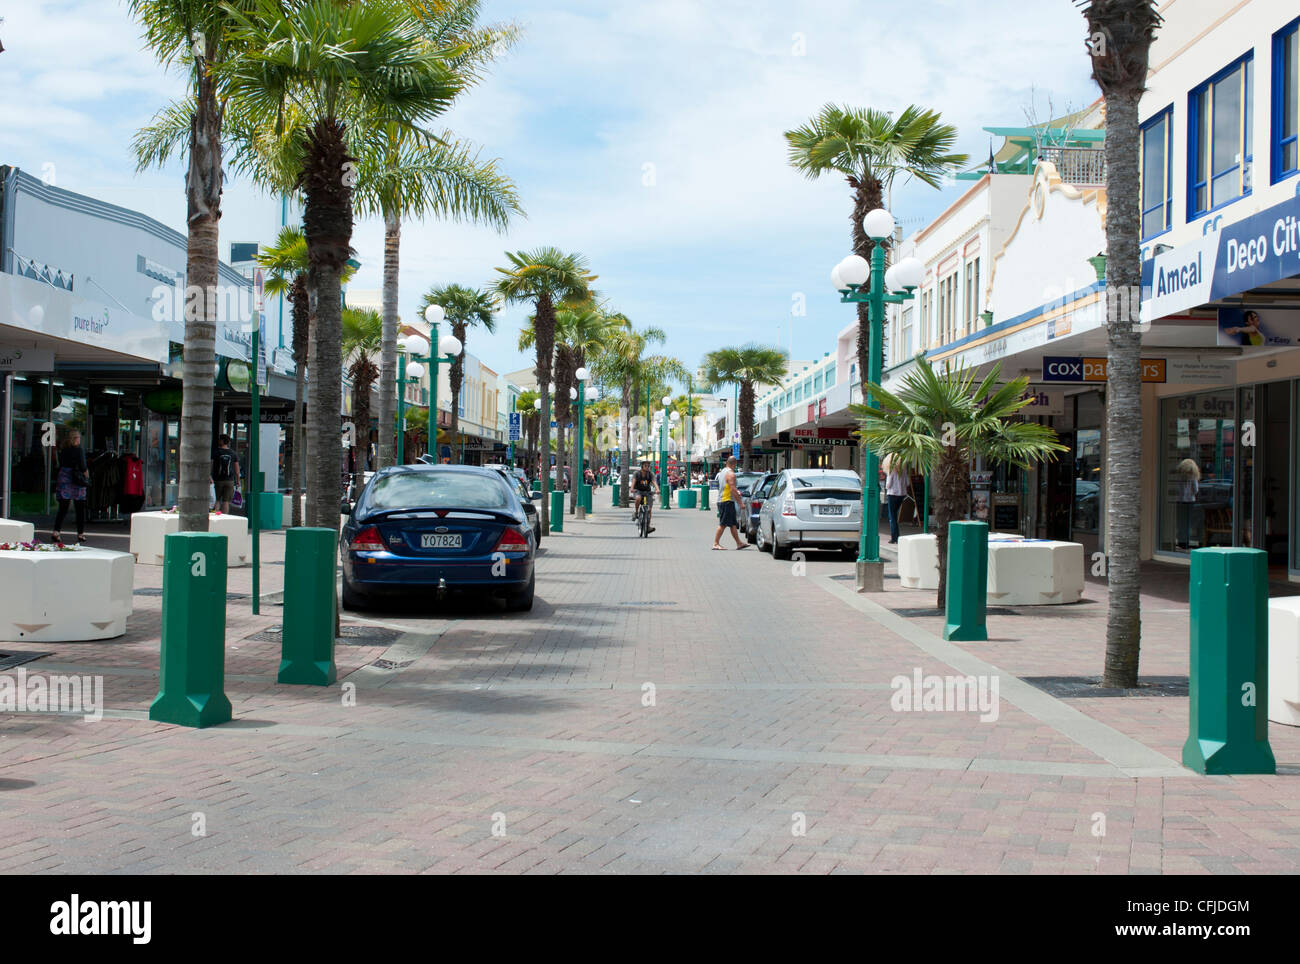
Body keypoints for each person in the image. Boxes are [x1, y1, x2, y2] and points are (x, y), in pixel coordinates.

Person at [52, 429, 89, 544]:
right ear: (75, 439)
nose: (80, 439)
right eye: (79, 437)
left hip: (64, 477)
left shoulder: (63, 450)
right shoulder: (79, 450)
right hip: (76, 479)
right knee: (79, 508)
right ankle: (80, 534)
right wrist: (86, 475)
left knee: (63, 507)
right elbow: (83, 466)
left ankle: (56, 532)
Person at [712, 455, 750, 549]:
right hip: (727, 501)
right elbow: (733, 489)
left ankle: (739, 543)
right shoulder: (731, 474)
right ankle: (716, 543)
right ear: (734, 464)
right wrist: (740, 503)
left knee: (733, 524)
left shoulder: (722, 472)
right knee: (723, 523)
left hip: (724, 500)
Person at [211, 434, 241, 514]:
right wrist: (238, 481)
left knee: (217, 500)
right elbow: (237, 470)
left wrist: (210, 477)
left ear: (222, 441)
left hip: (217, 480)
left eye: (219, 439)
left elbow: (210, 465)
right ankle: (225, 517)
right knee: (226, 501)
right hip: (229, 480)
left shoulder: (216, 452)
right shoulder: (233, 453)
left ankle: (216, 516)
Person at [631, 459, 657, 533]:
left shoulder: (650, 474)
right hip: (638, 491)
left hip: (647, 492)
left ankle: (647, 526)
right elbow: (633, 481)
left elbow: (654, 482)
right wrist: (632, 488)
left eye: (648, 466)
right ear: (642, 466)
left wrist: (657, 489)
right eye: (646, 466)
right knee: (638, 498)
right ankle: (636, 512)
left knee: (649, 510)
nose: (647, 467)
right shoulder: (637, 473)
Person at [885, 461, 908, 544]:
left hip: (892, 494)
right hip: (901, 494)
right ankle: (896, 536)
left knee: (892, 517)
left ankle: (894, 537)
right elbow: (907, 483)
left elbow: (888, 485)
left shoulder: (891, 470)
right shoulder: (904, 470)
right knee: (894, 515)